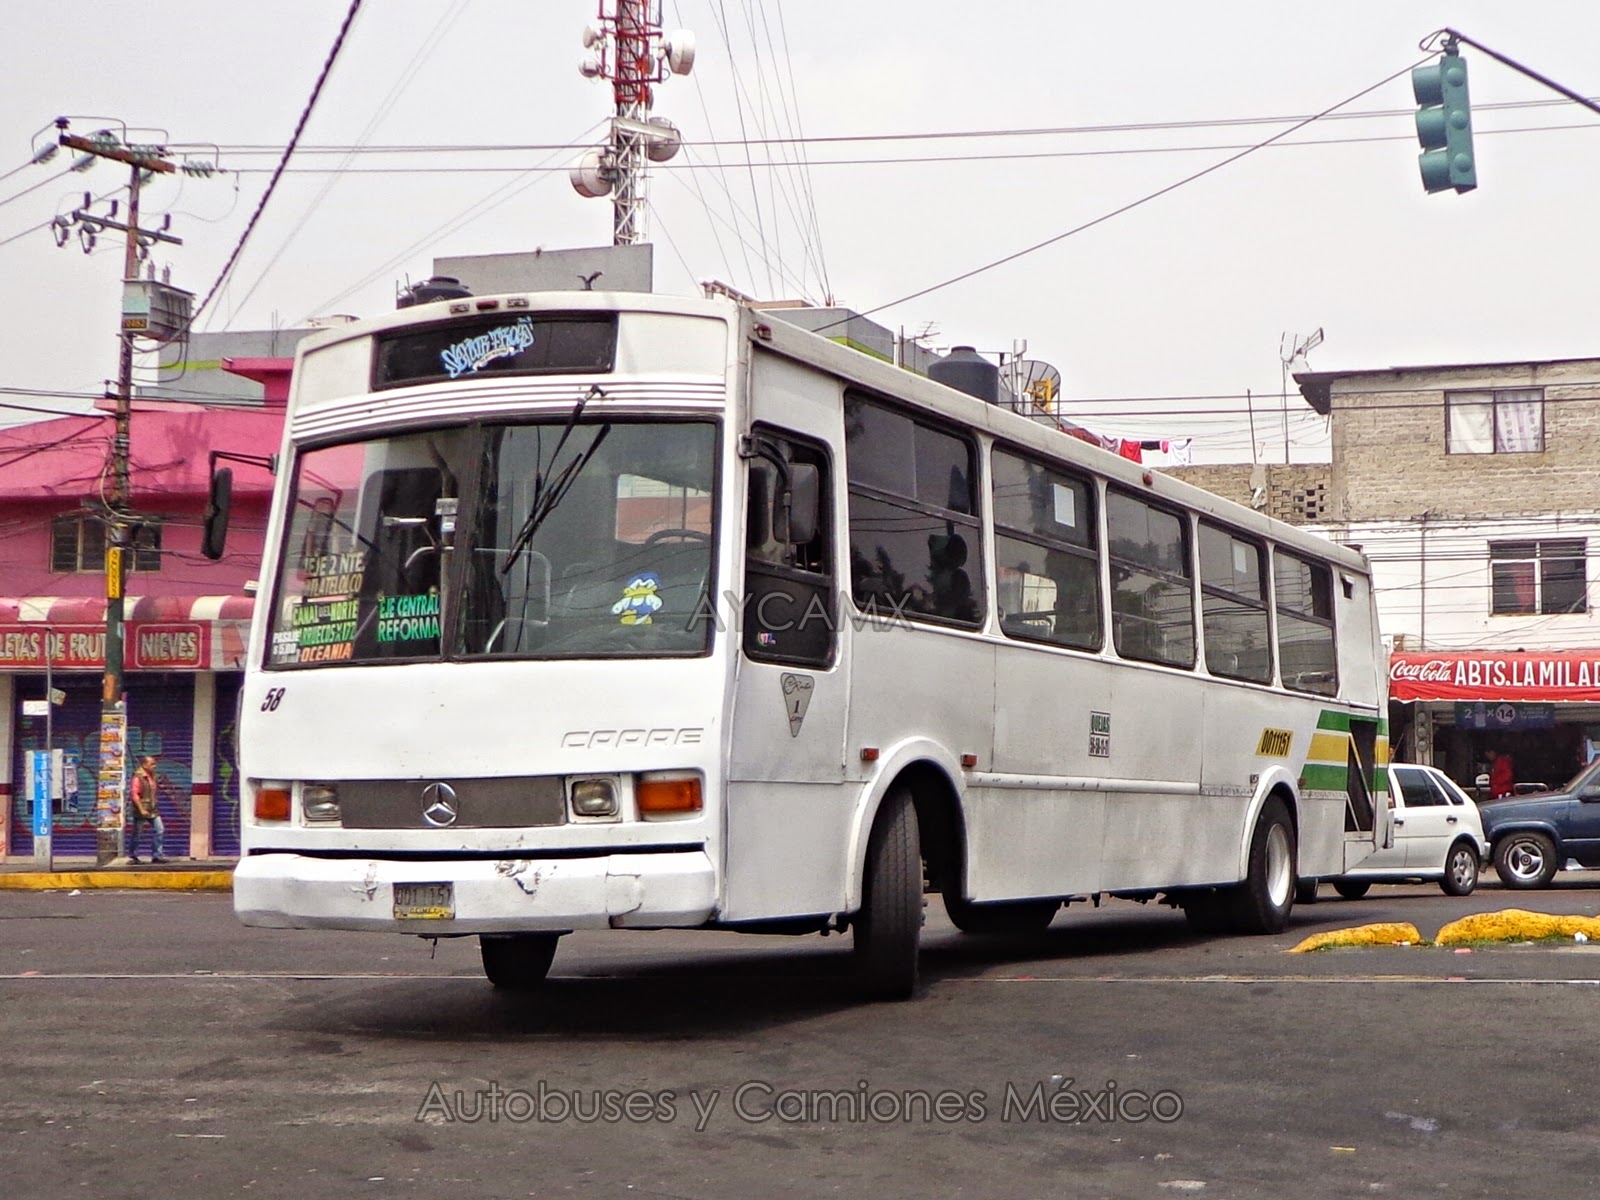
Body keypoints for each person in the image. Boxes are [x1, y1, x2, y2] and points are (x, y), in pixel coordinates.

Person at [126, 755, 169, 863]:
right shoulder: (138, 777)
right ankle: (132, 855)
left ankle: (157, 855)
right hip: (142, 809)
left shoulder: (152, 776)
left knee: (159, 830)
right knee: (138, 833)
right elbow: (134, 794)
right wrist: (141, 809)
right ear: (144, 765)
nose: (154, 766)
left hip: (153, 809)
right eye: (152, 764)